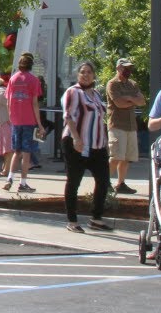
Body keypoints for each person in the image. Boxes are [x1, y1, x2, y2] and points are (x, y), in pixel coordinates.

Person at [61, 62, 113, 233]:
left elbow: (100, 120)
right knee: (74, 181)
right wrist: (76, 138)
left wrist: (105, 143)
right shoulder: (73, 92)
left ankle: (96, 218)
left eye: (89, 72)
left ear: (94, 75)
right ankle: (72, 220)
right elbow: (68, 116)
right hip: (77, 143)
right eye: (82, 72)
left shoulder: (97, 94)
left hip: (97, 145)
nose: (86, 75)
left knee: (104, 181)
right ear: (78, 75)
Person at [105, 57, 146, 195]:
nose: (128, 70)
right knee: (116, 156)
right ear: (118, 68)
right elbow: (119, 104)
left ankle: (120, 183)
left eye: (129, 68)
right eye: (125, 68)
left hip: (131, 125)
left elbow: (142, 101)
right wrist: (132, 100)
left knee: (127, 157)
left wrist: (129, 98)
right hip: (117, 124)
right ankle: (105, 182)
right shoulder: (112, 84)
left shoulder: (133, 84)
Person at [4, 52, 44, 193]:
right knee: (27, 152)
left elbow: (8, 100)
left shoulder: (13, 79)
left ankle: (9, 178)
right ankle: (23, 182)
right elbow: (34, 103)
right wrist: (39, 124)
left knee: (17, 151)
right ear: (31, 64)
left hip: (16, 120)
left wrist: (11, 117)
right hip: (29, 120)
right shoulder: (33, 80)